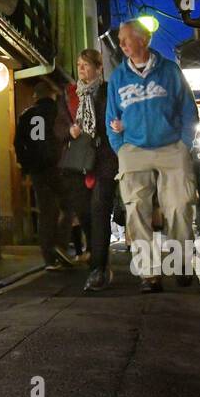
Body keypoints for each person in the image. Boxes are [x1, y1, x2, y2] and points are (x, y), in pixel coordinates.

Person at [106, 20, 200, 293]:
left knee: (180, 206)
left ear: (144, 40)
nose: (122, 44)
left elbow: (187, 110)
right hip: (132, 150)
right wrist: (120, 147)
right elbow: (111, 117)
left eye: (127, 39)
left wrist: (185, 143)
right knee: (136, 210)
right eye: (120, 40)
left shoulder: (170, 71)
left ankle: (181, 263)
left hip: (172, 147)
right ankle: (149, 274)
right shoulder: (118, 78)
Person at [56, 48, 119, 292]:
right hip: (79, 161)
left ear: (98, 67)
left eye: (86, 65)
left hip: (104, 158)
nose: (81, 69)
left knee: (99, 209)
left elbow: (112, 121)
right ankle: (97, 255)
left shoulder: (107, 92)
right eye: (79, 65)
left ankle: (97, 269)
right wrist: (68, 131)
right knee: (84, 213)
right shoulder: (70, 95)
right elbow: (58, 127)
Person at [15, 81, 74, 270]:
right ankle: (61, 245)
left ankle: (49, 258)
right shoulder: (58, 112)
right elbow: (66, 136)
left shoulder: (27, 116)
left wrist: (26, 167)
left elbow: (19, 144)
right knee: (69, 205)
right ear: (51, 95)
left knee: (46, 212)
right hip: (59, 166)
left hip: (38, 170)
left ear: (35, 96)